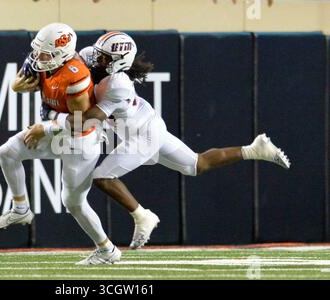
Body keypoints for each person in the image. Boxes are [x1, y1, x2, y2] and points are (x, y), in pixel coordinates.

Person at [33, 31, 291, 249]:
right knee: (197, 164)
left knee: (102, 177)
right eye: (98, 53)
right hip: (148, 123)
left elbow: (89, 119)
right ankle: (254, 149)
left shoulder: (117, 84)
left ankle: (143, 216)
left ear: (118, 61)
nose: (95, 58)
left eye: (103, 57)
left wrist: (51, 115)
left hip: (143, 135)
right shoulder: (93, 57)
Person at [0, 23, 121, 265]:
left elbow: (79, 121)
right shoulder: (43, 58)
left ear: (62, 54)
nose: (38, 57)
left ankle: (107, 249)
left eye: (45, 54)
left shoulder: (76, 73)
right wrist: (16, 86)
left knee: (73, 202)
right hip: (57, 130)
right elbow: (18, 82)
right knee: (8, 152)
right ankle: (20, 209)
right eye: (37, 51)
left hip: (81, 139)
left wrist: (45, 126)